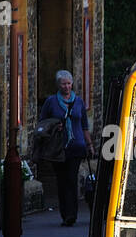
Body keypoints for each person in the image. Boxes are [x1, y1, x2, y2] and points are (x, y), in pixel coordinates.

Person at [38, 69, 94, 226]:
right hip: (58, 147)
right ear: (58, 85)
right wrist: (54, 127)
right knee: (61, 181)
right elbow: (43, 123)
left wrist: (89, 145)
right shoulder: (51, 102)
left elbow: (84, 125)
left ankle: (71, 215)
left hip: (76, 146)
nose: (67, 87)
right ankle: (65, 213)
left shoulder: (79, 102)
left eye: (69, 83)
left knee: (71, 179)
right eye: (64, 84)